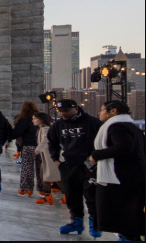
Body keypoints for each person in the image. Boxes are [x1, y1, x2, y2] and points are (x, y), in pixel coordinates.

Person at [47, 99, 103, 237]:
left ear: (76, 109)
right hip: (69, 165)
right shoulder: (58, 125)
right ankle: (76, 221)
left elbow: (104, 141)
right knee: (72, 195)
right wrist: (56, 160)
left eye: (66, 111)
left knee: (91, 195)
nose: (63, 114)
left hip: (90, 165)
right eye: (60, 111)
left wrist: (97, 158)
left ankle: (94, 223)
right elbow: (52, 143)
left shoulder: (92, 122)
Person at [91, 101, 145, 241]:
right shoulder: (132, 127)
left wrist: (97, 155)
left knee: (123, 217)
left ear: (113, 111)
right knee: (130, 217)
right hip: (132, 176)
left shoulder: (117, 127)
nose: (99, 113)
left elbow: (124, 147)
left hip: (120, 178)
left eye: (102, 110)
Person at [13, 101, 44, 198]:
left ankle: (26, 189)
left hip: (28, 146)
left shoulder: (23, 120)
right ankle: (43, 189)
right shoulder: (41, 119)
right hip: (41, 147)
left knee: (27, 167)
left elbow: (16, 133)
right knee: (41, 169)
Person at [32, 112, 62, 206]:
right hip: (45, 156)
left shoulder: (47, 129)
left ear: (41, 119)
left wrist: (38, 149)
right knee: (44, 175)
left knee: (55, 177)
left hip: (50, 156)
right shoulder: (41, 128)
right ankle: (47, 196)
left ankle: (65, 196)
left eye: (35, 118)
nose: (33, 120)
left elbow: (46, 140)